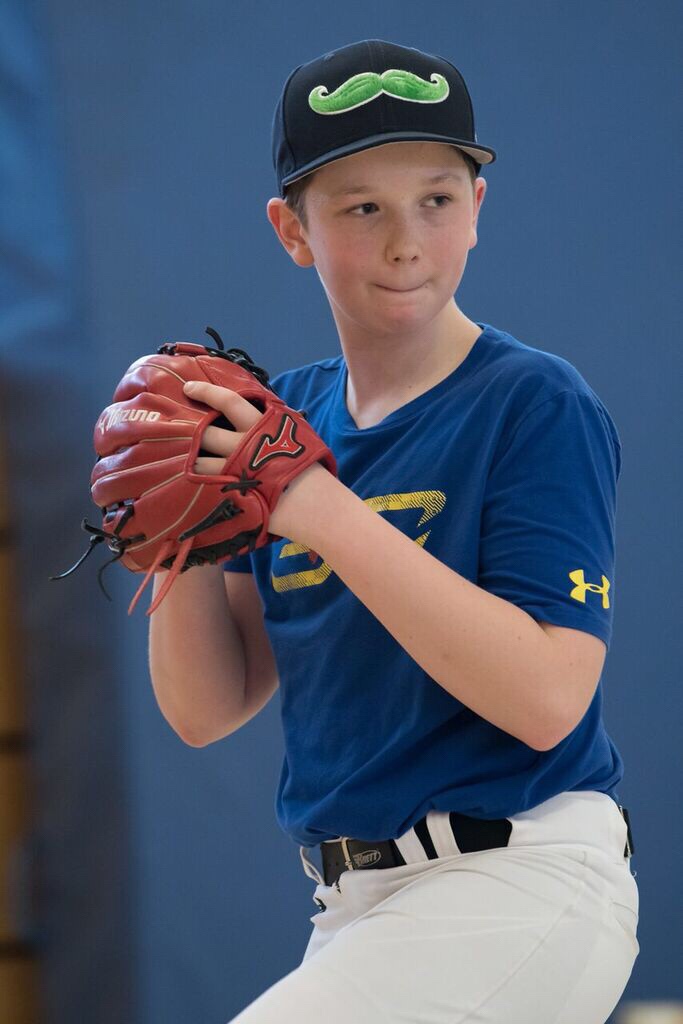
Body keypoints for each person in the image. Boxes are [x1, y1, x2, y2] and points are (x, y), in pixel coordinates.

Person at [148, 38, 639, 1024]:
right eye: (360, 207)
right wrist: (175, 536)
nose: (404, 238)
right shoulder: (280, 419)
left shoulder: (532, 402)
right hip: (351, 909)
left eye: (436, 198)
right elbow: (208, 706)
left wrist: (324, 514)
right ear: (293, 230)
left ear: (476, 210)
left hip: (517, 879)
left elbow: (547, 697)